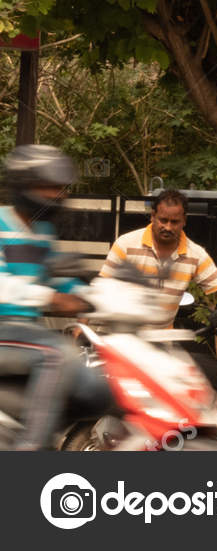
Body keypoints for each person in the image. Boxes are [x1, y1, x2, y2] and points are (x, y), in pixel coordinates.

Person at [0, 144, 107, 449]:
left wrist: (96, 296)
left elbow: (58, 279)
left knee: (97, 387)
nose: (58, 194)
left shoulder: (43, 231)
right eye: (48, 186)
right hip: (5, 330)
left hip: (27, 334)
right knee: (57, 354)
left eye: (60, 187)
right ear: (24, 185)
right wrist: (51, 298)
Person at [102, 188, 217, 343]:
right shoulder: (126, 244)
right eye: (163, 220)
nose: (168, 227)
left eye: (174, 222)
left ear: (184, 221)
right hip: (121, 340)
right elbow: (103, 286)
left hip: (161, 343)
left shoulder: (195, 254)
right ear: (152, 217)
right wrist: (86, 328)